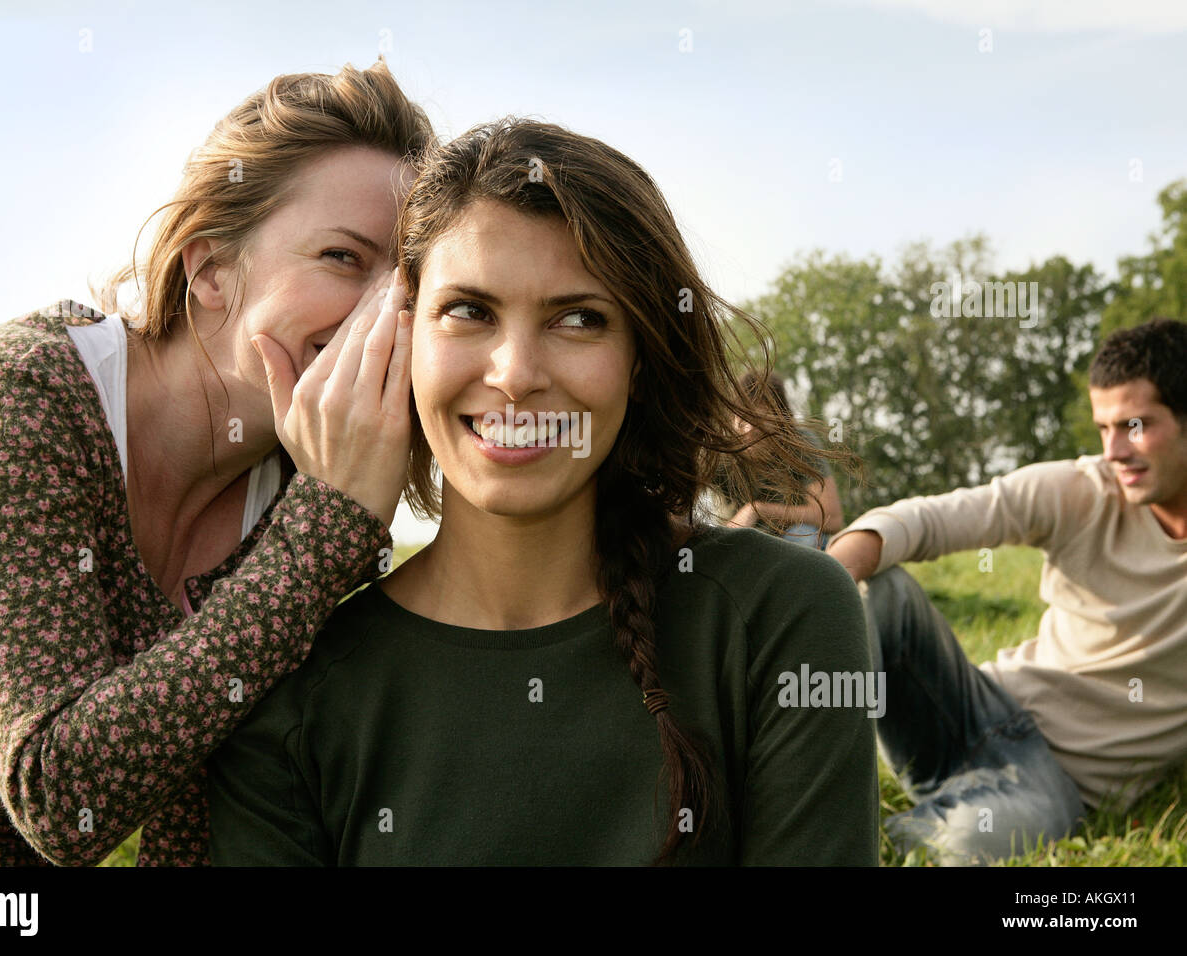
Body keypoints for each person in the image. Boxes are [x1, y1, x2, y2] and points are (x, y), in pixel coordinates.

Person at [206, 118, 879, 866]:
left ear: (639, 360)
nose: (516, 371)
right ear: (399, 338)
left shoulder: (786, 618)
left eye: (579, 318)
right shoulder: (289, 698)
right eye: (469, 310)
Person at [0, 62, 433, 866]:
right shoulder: (15, 399)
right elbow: (61, 792)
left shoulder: (302, 489)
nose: (388, 318)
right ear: (210, 268)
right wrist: (327, 530)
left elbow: (205, 815)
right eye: (345, 259)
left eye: (411, 285)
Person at [825, 318, 1187, 864]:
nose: (1114, 450)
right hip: (974, 711)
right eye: (1103, 427)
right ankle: (797, 795)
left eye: (1135, 425)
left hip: (1059, 781)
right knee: (886, 592)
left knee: (968, 843)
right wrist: (824, 581)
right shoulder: (1080, 490)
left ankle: (875, 836)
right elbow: (929, 519)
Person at [719, 371, 844, 548]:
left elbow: (832, 518)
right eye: (742, 418)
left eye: (760, 420)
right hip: (746, 543)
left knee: (803, 536)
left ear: (781, 422)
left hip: (794, 538)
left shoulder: (800, 443)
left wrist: (758, 510)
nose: (748, 430)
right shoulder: (721, 452)